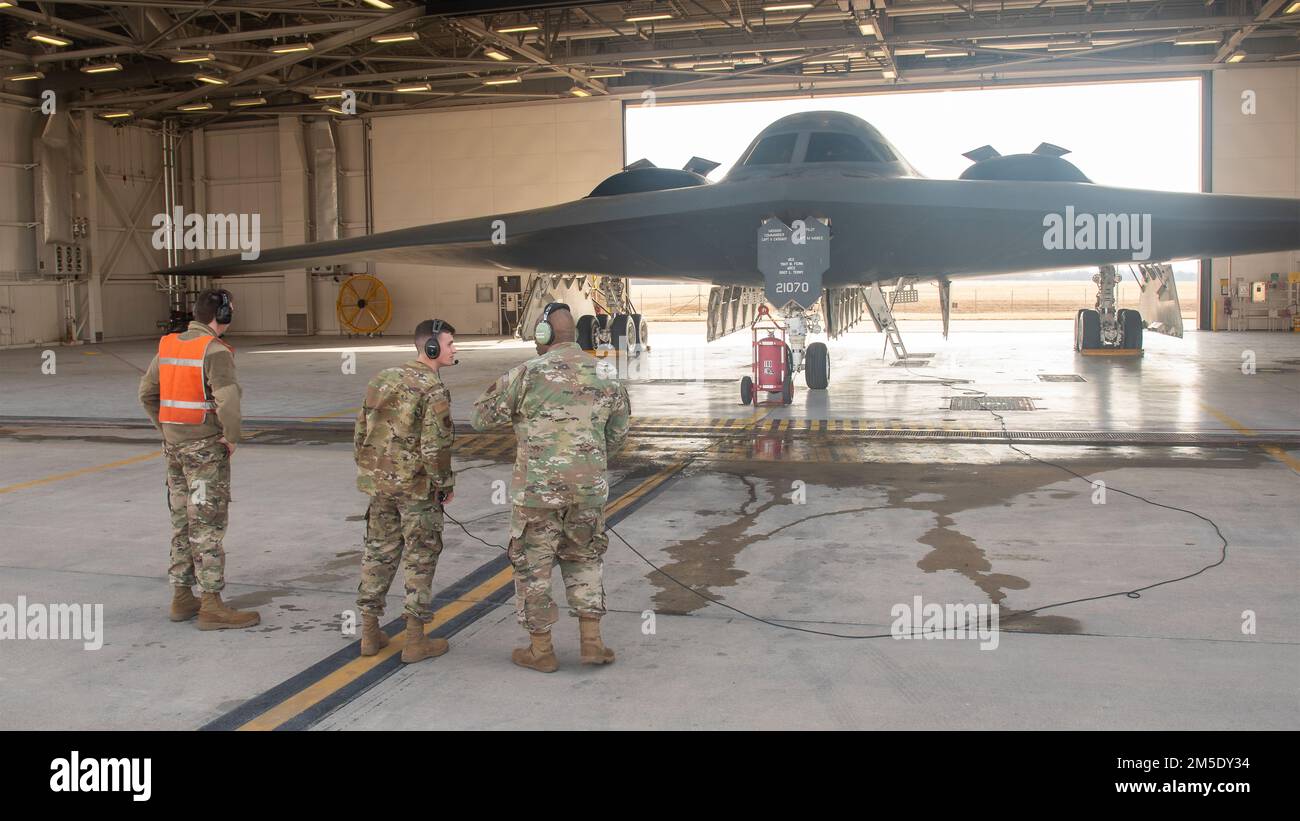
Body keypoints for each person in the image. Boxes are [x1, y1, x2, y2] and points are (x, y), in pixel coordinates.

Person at [471, 303, 631, 673]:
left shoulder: (527, 374)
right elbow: (618, 435)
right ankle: (591, 642)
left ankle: (541, 650)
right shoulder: (606, 373)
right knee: (585, 559)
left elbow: (480, 418)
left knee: (534, 568)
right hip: (588, 492)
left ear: (543, 336)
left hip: (537, 494)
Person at [139, 288, 259, 629]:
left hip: (174, 448)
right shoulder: (214, 350)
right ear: (221, 315)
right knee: (207, 523)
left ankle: (181, 597)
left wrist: (167, 428)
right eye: (230, 311)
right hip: (205, 450)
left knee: (181, 520)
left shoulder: (168, 345)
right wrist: (231, 437)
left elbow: (147, 394)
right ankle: (210, 605)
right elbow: (228, 399)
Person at [353, 319, 458, 663]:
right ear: (431, 348)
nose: (454, 349)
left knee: (378, 553)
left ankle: (369, 633)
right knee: (420, 557)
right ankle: (414, 640)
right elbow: (434, 447)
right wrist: (444, 485)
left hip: (381, 485)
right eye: (449, 343)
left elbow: (361, 432)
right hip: (416, 490)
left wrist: (372, 471)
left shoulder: (382, 378)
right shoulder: (433, 389)